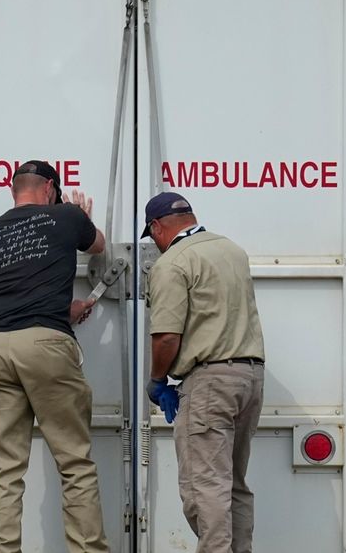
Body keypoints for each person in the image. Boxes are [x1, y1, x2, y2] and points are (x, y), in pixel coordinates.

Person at [0, 160, 108, 553]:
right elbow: (99, 245)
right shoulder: (65, 216)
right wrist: (81, 217)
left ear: (13, 190)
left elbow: (18, 294)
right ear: (50, 188)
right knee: (74, 462)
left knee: (4, 470)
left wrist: (67, 307)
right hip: (46, 346)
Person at [142, 192, 265, 553]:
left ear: (156, 227)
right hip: (250, 378)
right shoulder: (232, 250)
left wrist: (157, 379)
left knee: (204, 487)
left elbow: (166, 337)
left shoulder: (172, 264)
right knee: (234, 485)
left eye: (154, 238)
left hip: (210, 382)